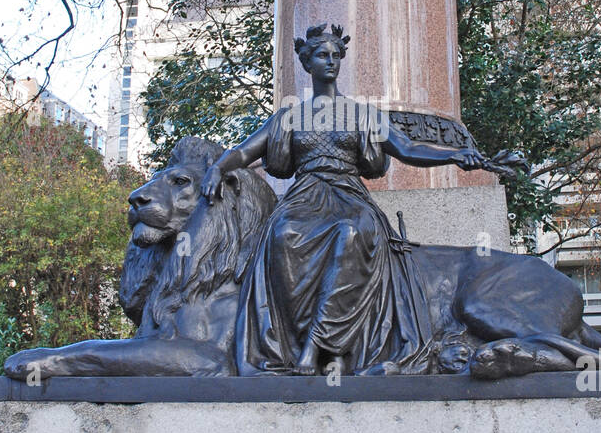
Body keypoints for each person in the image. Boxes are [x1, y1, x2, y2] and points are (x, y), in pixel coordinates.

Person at [200, 23, 483, 375]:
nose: (331, 61)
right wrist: (216, 169)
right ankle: (296, 342)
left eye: (336, 55)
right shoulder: (290, 116)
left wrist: (455, 155)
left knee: (352, 232)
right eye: (322, 55)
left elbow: (408, 148)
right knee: (283, 235)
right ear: (307, 63)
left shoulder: (361, 114)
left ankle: (318, 346)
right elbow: (243, 153)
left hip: (349, 195)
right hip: (305, 197)